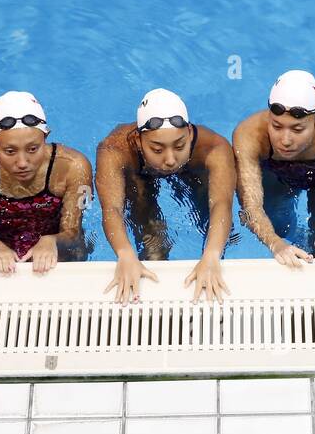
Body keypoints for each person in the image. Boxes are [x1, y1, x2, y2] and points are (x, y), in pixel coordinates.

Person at [95, 88, 235, 302]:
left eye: (179, 146)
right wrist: (124, 253)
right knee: (150, 238)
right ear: (137, 140)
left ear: (189, 133)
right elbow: (111, 208)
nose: (170, 159)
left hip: (192, 169)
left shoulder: (213, 147)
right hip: (140, 173)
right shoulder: (115, 150)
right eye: (157, 149)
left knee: (216, 227)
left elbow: (221, 204)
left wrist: (212, 254)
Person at [231, 70, 315, 269]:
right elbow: (251, 209)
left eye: (297, 130)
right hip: (275, 172)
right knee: (277, 226)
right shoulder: (248, 134)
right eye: (276, 127)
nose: (285, 141)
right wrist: (276, 244)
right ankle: (296, 237)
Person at [0, 91, 92, 275]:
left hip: (59, 246)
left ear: (45, 136)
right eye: (10, 151)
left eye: (33, 149)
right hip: (0, 247)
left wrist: (52, 241)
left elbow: (73, 233)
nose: (23, 162)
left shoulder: (76, 167)